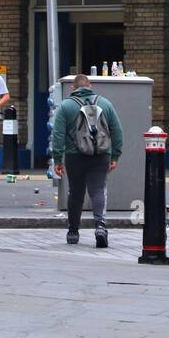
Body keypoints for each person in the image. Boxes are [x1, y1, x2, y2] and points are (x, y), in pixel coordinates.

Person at [52, 73, 123, 247]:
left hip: (74, 156)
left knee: (75, 193)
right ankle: (100, 226)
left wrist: (57, 159)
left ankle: (73, 232)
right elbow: (117, 131)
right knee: (97, 190)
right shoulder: (105, 103)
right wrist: (115, 155)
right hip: (101, 154)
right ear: (90, 87)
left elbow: (58, 135)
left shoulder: (65, 106)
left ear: (73, 88)